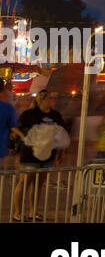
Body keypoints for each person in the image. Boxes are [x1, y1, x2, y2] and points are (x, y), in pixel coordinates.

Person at [13, 90, 69, 221]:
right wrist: (23, 138)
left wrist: (61, 152)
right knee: (24, 182)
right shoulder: (30, 114)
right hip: (30, 154)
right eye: (50, 98)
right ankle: (17, 212)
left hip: (48, 154)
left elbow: (62, 133)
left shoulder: (55, 115)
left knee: (39, 183)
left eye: (54, 98)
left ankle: (33, 212)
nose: (53, 100)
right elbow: (15, 127)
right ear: (42, 100)